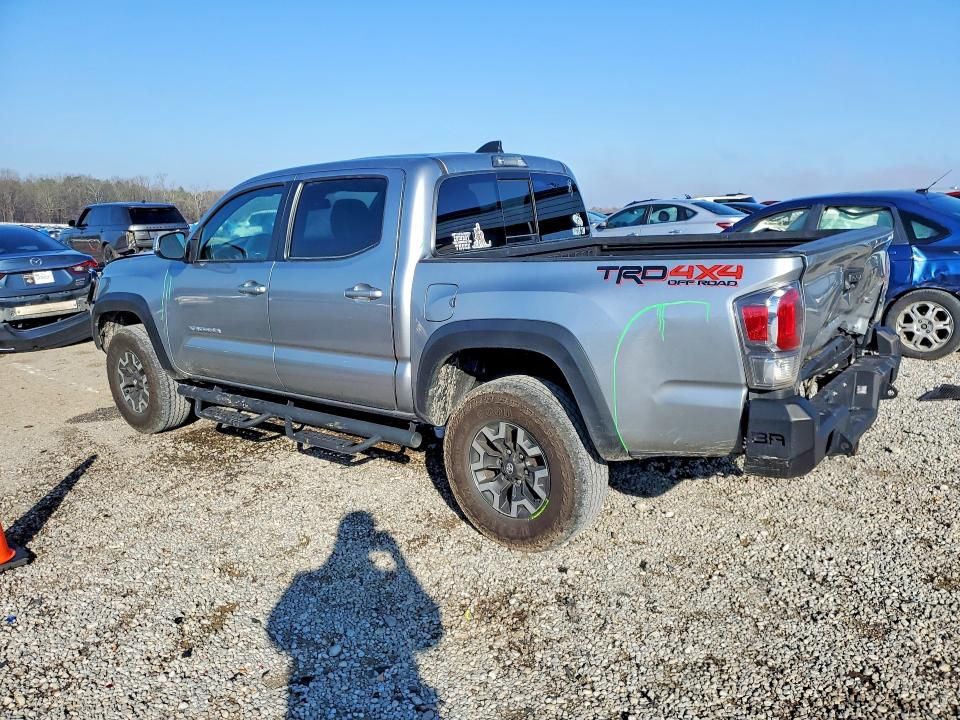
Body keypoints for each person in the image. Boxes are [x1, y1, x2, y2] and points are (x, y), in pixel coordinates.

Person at [268, 511, 442, 718]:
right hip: (388, 681)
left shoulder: (304, 582)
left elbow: (276, 631)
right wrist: (397, 557)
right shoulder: (307, 581)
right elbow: (430, 635)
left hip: (322, 689)